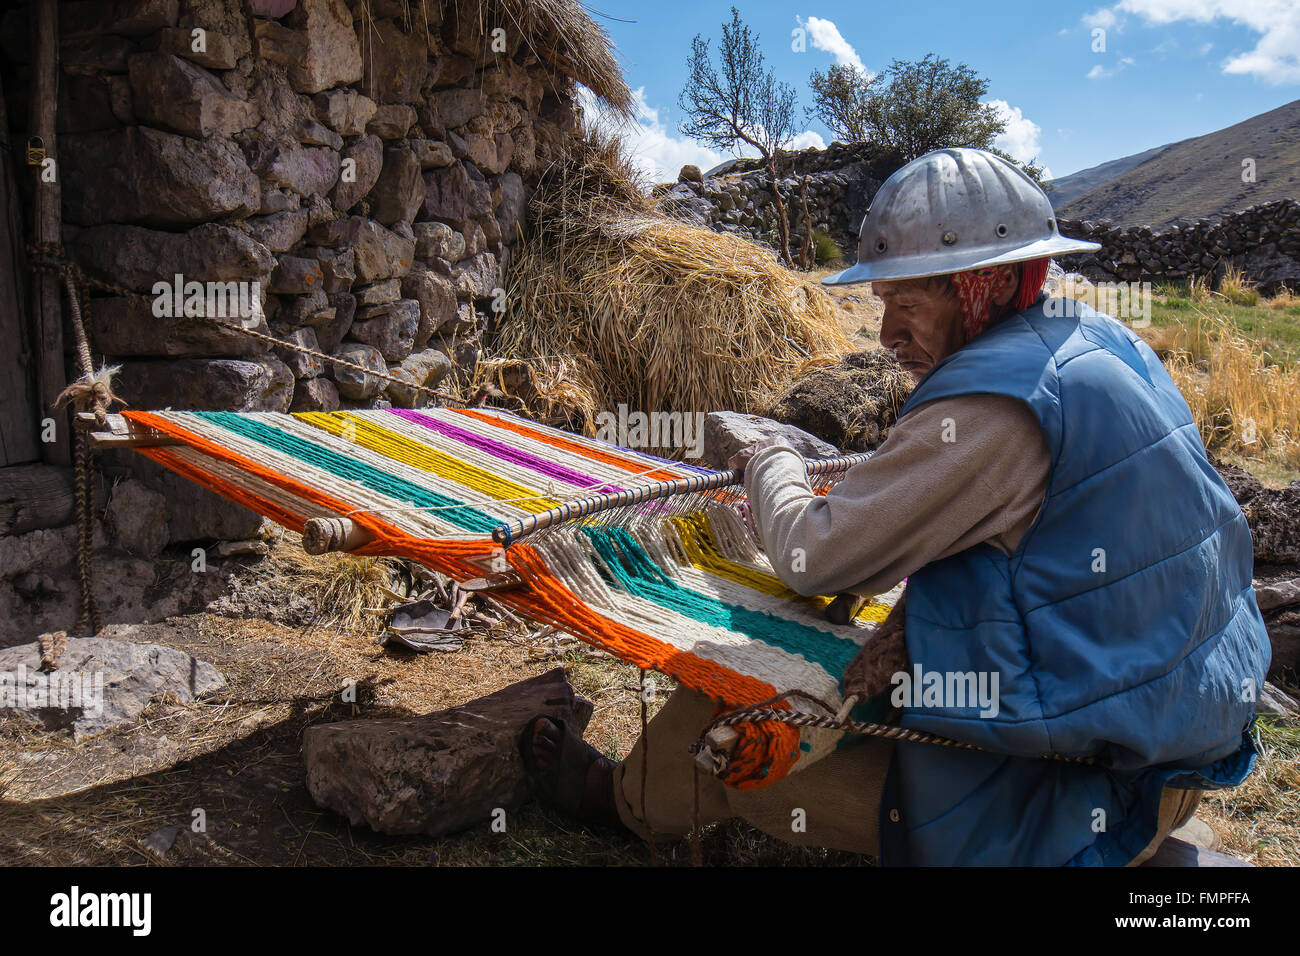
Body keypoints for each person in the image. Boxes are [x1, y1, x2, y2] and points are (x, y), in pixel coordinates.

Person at [522, 147, 1271, 866]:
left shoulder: (994, 407)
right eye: (882, 305)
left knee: (721, 710)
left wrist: (766, 458)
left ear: (978, 285)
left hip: (1089, 788)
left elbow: (814, 558)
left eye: (905, 302)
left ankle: (613, 801)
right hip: (1172, 742)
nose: (885, 336)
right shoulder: (1105, 339)